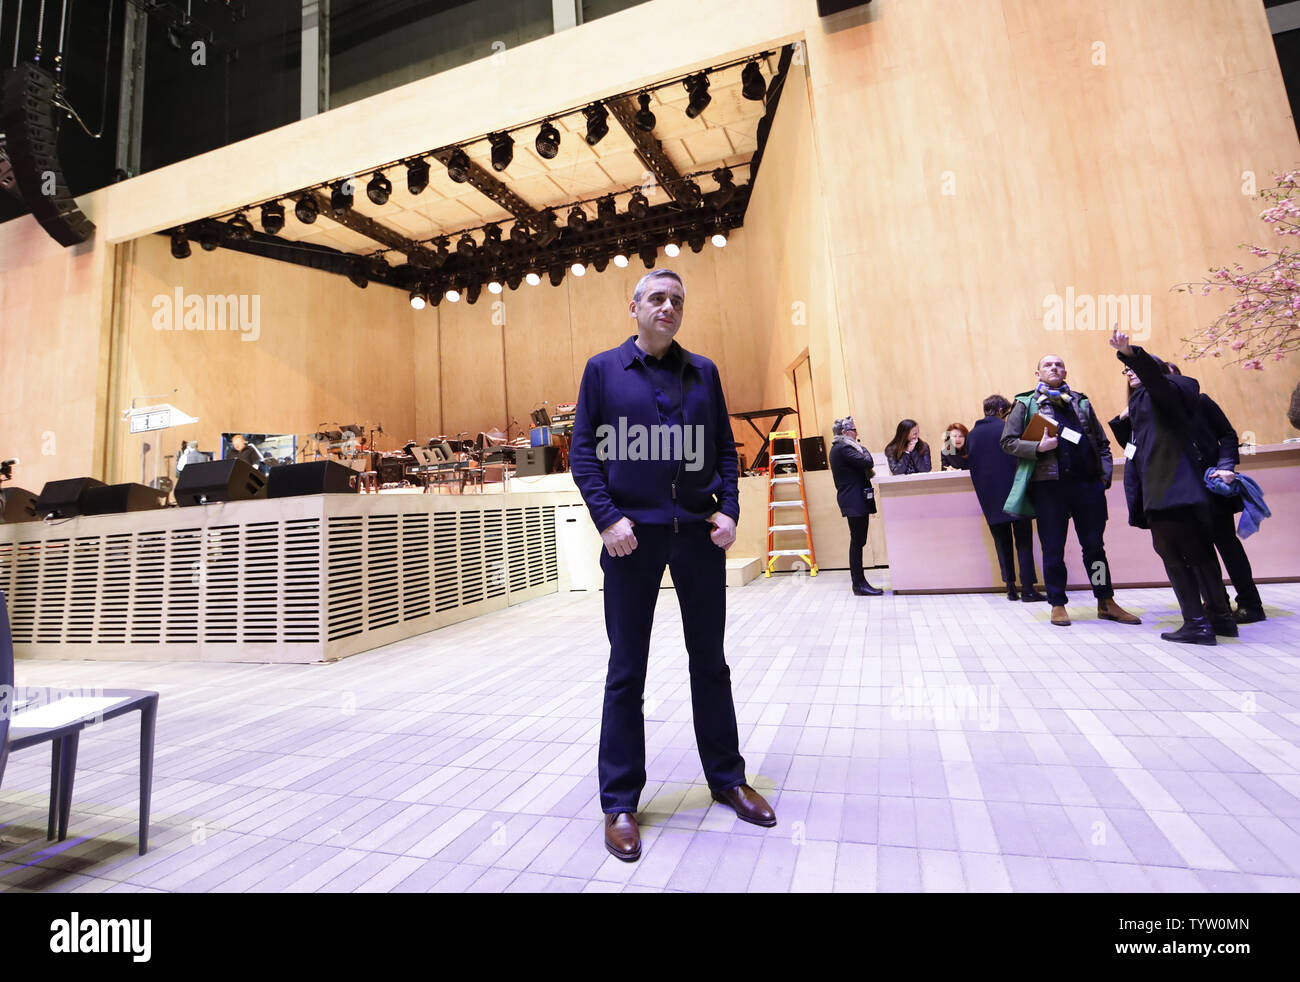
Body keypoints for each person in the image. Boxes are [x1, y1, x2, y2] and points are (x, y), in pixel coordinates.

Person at [569, 268, 776, 863]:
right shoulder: (603, 370)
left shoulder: (704, 372)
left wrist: (730, 511)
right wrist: (608, 519)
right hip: (631, 539)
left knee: (710, 661)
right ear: (632, 307)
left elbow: (724, 453)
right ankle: (619, 802)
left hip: (696, 535)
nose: (668, 307)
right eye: (657, 298)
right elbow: (584, 452)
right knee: (626, 669)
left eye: (677, 300)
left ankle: (728, 779)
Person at [1107, 333, 1237, 644]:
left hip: (1171, 490)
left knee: (1173, 554)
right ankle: (1220, 619)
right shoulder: (1148, 405)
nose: (1131, 372)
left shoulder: (1165, 393)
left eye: (1138, 367)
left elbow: (1155, 380)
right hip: (1174, 489)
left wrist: (1128, 352)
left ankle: (1196, 623)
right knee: (1199, 552)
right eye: (1128, 370)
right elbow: (1135, 446)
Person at [1000, 353, 1142, 628]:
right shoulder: (1025, 403)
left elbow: (1102, 443)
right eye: (1047, 365)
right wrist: (1037, 448)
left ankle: (1105, 600)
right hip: (1049, 488)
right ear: (1037, 373)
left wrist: (1104, 477)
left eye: (1059, 364)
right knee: (1053, 549)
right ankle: (1057, 602)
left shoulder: (1081, 401)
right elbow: (1007, 442)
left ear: (1065, 372)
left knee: (1095, 548)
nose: (1054, 367)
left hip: (1087, 486)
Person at [1166, 364, 1265, 623]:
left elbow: (1228, 434)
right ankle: (1217, 606)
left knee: (1228, 545)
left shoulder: (1201, 402)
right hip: (1181, 491)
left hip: (1211, 485)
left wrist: (1225, 466)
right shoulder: (1157, 409)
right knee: (1197, 550)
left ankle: (1251, 604)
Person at [968, 395, 1044, 602]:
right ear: (1002, 410)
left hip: (989, 497)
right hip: (1016, 495)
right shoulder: (1007, 430)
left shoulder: (972, 435)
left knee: (1001, 542)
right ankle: (1028, 589)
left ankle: (1010, 587)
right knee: (1024, 542)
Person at [828, 415, 883, 596]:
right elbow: (867, 461)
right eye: (853, 430)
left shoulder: (842, 448)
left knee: (858, 541)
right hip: (853, 500)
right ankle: (858, 584)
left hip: (855, 500)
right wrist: (864, 449)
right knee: (857, 542)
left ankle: (859, 583)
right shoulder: (843, 448)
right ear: (844, 432)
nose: (857, 433)